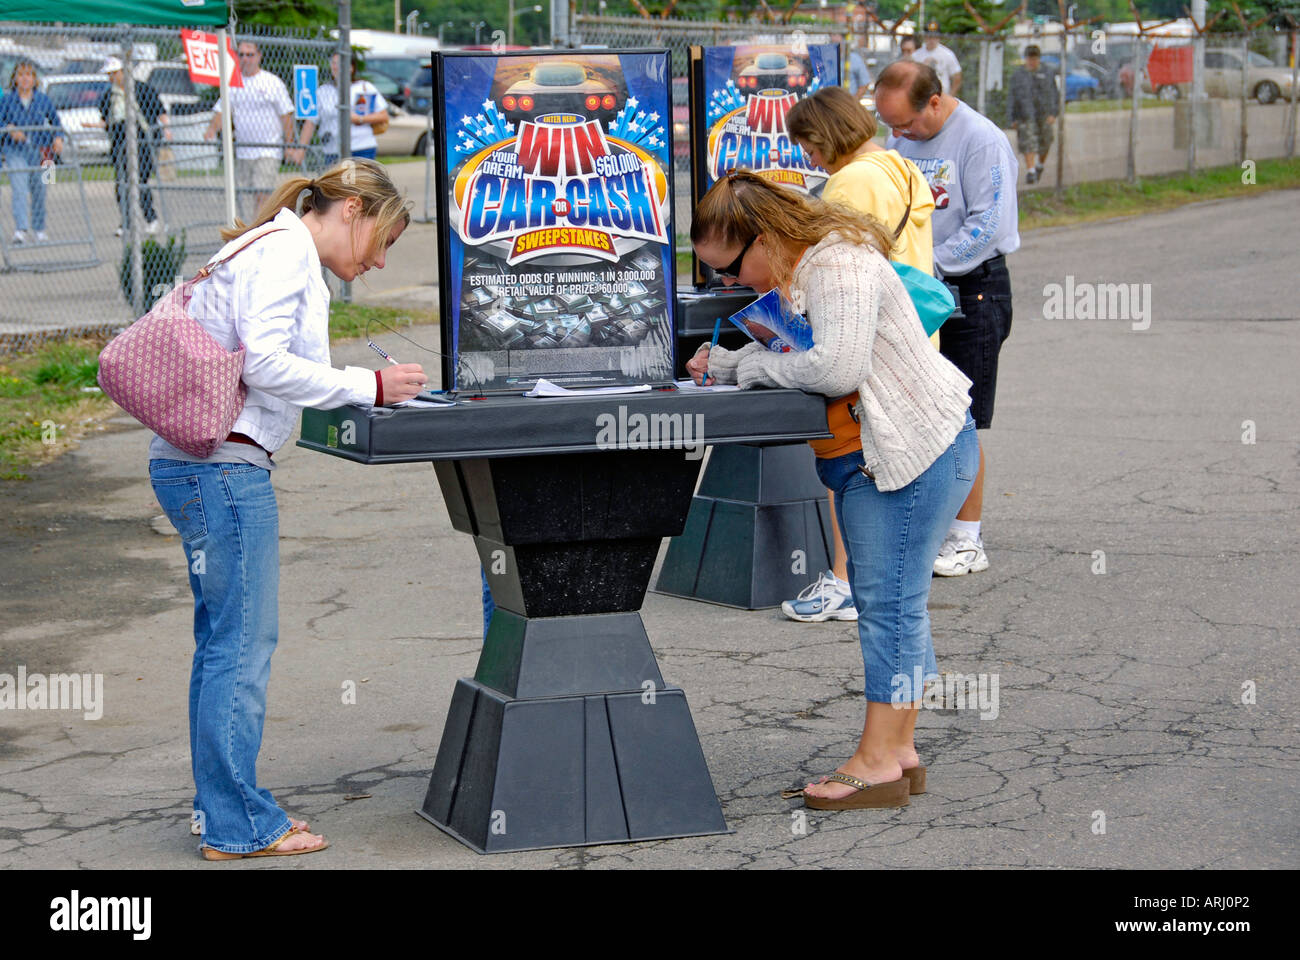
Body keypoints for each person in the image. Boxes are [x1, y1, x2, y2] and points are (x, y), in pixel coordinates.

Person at [147, 158, 426, 859]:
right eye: (384, 240)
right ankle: (238, 826)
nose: (382, 261)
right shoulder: (285, 255)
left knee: (222, 647)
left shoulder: (265, 245)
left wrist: (352, 385)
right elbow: (264, 363)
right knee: (241, 650)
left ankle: (221, 808)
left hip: (193, 462)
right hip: (224, 471)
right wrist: (369, 383)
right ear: (353, 211)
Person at [685, 171, 976, 808]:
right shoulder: (808, 267)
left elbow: (835, 368)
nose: (731, 285)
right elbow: (813, 360)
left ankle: (875, 763)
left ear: (764, 239)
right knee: (897, 603)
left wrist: (749, 365)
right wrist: (735, 362)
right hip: (891, 458)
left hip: (907, 459)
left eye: (730, 269)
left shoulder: (837, 264)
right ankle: (899, 751)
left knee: (887, 607)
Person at [781, 85, 937, 623]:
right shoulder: (900, 166)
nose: (807, 155)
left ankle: (846, 579)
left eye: (808, 142)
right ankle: (875, 572)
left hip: (864, 339)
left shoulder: (849, 181)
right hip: (911, 333)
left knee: (849, 461)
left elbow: (838, 258)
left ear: (826, 133)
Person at [875, 60, 1019, 577]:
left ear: (934, 101)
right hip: (917, 287)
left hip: (971, 289)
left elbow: (989, 224)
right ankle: (932, 526)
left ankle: (967, 540)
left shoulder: (980, 140)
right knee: (922, 410)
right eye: (889, 126)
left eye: (906, 124)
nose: (898, 136)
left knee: (961, 417)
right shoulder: (900, 141)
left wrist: (926, 263)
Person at [204, 40, 296, 219]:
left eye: (250, 54)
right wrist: (211, 130)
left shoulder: (272, 82)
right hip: (244, 151)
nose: (245, 59)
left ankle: (256, 231)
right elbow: (222, 109)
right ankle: (250, 228)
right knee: (245, 196)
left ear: (259, 56)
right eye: (242, 55)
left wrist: (290, 144)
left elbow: (286, 114)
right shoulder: (233, 83)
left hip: (268, 149)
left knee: (262, 194)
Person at [89, 57, 170, 237]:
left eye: (114, 74)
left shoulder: (142, 89)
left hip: (143, 141)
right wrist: (96, 125)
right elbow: (106, 119)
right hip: (120, 142)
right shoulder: (110, 96)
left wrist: (166, 129)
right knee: (122, 183)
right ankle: (126, 222)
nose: (112, 78)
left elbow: (160, 111)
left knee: (140, 181)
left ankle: (151, 219)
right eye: (109, 75)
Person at [0, 59, 64, 245]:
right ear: (15, 79)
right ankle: (21, 229)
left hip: (43, 152)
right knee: (19, 188)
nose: (25, 79)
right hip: (16, 151)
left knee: (41, 189)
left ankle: (39, 229)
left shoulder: (44, 99)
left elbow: (56, 123)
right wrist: (9, 129)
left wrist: (58, 137)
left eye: (29, 75)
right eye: (21, 75)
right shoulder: (7, 100)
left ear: (35, 79)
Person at [295, 52, 389, 165]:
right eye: (333, 63)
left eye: (339, 63)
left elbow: (383, 116)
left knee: (358, 182)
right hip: (333, 150)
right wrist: (301, 149)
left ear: (351, 67)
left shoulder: (364, 87)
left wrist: (359, 119)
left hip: (361, 147)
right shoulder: (323, 91)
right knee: (337, 182)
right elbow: (310, 122)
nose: (335, 67)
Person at [1007, 45, 1056, 184]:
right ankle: (1031, 171)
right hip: (1025, 114)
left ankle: (1039, 165)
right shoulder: (1018, 75)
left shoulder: (1047, 73)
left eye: (1034, 59)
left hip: (1044, 114)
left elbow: (1054, 93)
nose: (1031, 62)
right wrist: (1012, 117)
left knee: (1045, 142)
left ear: (1039, 59)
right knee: (1028, 143)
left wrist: (1053, 113)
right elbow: (1012, 96)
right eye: (1029, 58)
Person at [914, 22, 962, 97]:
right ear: (925, 37)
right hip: (922, 96)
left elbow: (957, 76)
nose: (932, 40)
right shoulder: (916, 55)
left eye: (935, 37)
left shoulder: (947, 54)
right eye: (929, 36)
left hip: (942, 95)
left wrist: (951, 95)